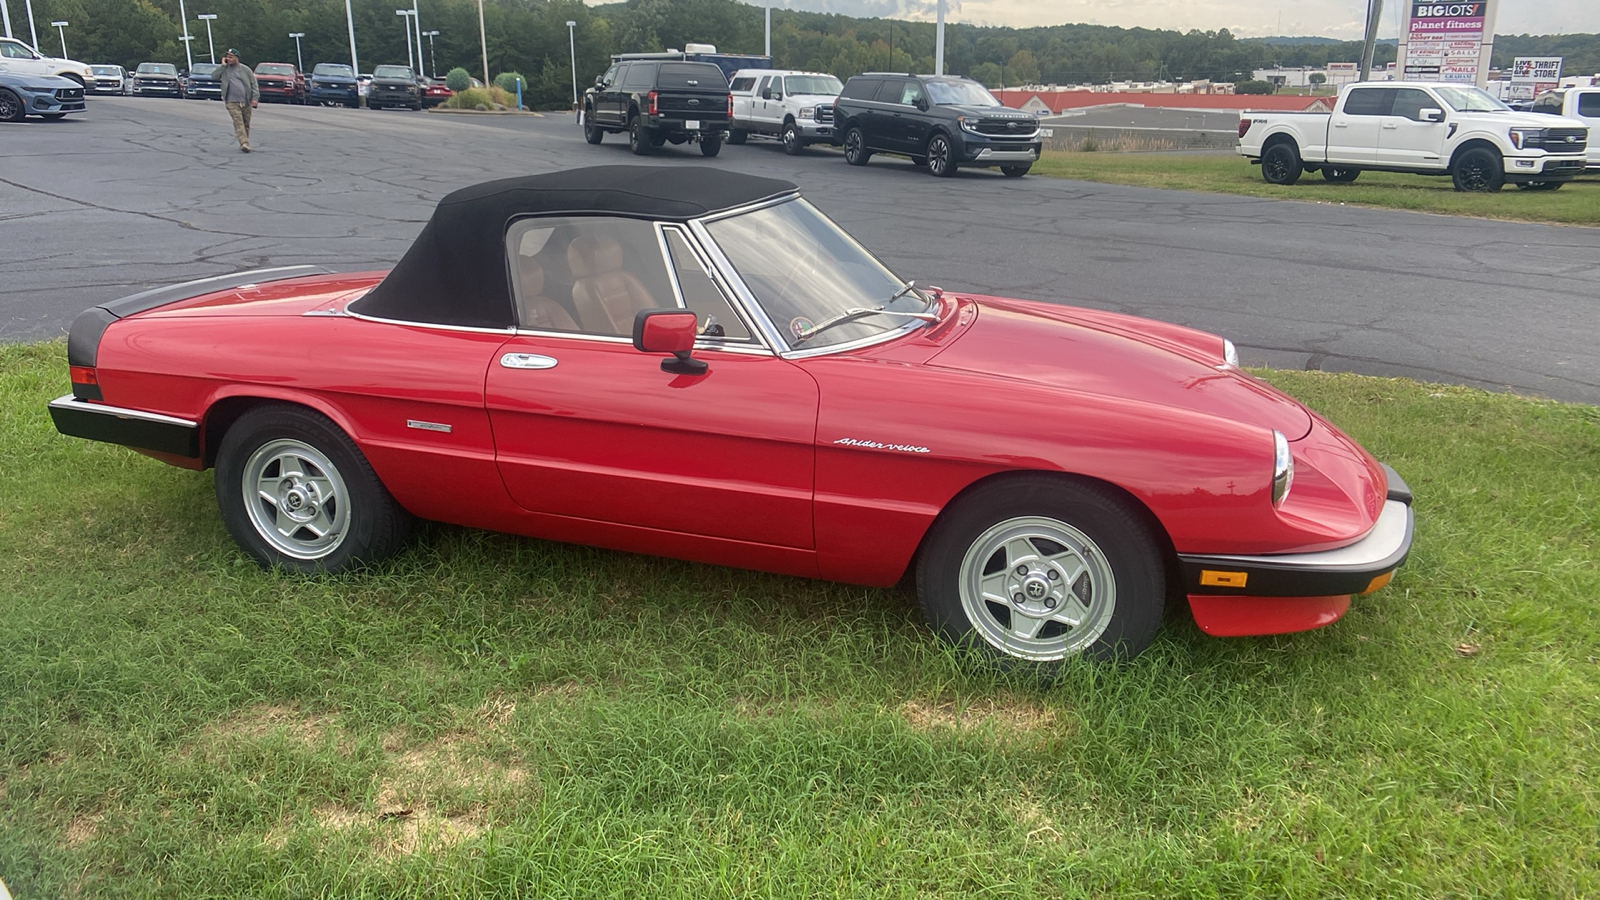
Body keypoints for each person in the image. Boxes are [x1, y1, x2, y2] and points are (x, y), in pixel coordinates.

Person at [219, 48, 260, 152]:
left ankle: (245, 140)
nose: (228, 59)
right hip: (231, 101)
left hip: (246, 101)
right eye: (227, 56)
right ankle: (244, 143)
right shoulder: (225, 69)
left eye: (231, 57)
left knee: (246, 123)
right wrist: (222, 66)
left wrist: (255, 98)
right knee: (238, 122)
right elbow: (214, 76)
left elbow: (254, 85)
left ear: (236, 58)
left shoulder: (245, 70)